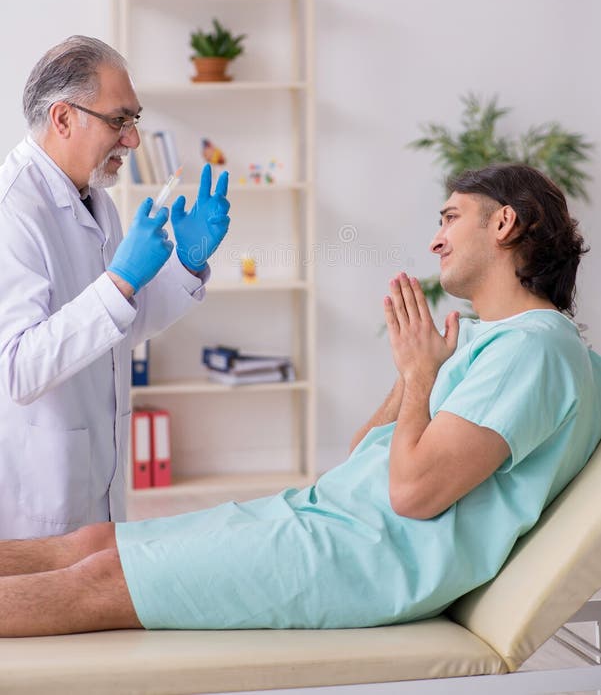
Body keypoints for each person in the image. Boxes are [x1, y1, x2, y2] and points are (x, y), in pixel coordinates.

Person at [1, 163, 600, 638]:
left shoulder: (535, 350)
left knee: (102, 577)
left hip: (362, 560)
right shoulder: (490, 340)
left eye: (450, 219)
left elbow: (413, 494)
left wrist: (420, 378)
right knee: (94, 541)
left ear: (504, 225)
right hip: (329, 519)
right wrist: (411, 373)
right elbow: (369, 455)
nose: (436, 240)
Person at [0, 35, 230, 539]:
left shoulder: (96, 199)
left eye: (135, 120)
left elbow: (119, 326)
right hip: (38, 499)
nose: (133, 140)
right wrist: (120, 280)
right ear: (63, 118)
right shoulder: (12, 208)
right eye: (118, 120)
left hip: (97, 482)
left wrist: (186, 265)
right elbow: (17, 369)